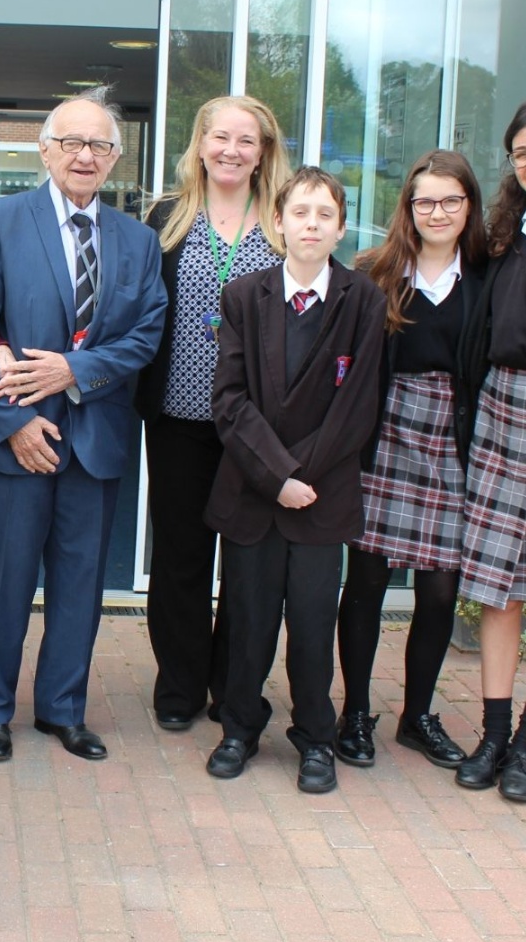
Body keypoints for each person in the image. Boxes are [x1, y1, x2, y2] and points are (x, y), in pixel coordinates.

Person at [0, 87, 166, 762]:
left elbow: (146, 334)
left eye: (100, 145)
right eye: (72, 142)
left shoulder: (138, 241)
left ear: (115, 158)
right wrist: (11, 422)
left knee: (80, 588)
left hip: (95, 441)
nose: (85, 155)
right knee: (8, 585)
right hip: (20, 440)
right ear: (44, 149)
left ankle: (61, 709)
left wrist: (76, 370)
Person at [205, 167, 385, 793]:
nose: (311, 224)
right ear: (276, 222)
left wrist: (302, 476)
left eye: (324, 214)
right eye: (299, 212)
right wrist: (277, 474)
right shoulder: (245, 296)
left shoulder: (363, 300)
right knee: (248, 620)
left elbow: (358, 404)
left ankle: (315, 737)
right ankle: (239, 727)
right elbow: (228, 399)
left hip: (322, 496)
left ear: (340, 226)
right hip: (256, 492)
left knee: (312, 624)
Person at [136, 96, 289, 731]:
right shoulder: (165, 218)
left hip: (258, 423)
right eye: (219, 137)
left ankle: (234, 687)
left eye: (245, 140)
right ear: (198, 145)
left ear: (263, 152)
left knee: (248, 560)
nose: (231, 150)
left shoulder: (284, 221)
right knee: (181, 556)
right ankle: (180, 685)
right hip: (178, 418)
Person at [337, 151, 486, 769]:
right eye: (425, 201)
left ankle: (418, 716)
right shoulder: (376, 272)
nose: (438, 212)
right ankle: (354, 714)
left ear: (469, 206)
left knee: (438, 588)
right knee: (367, 580)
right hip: (385, 436)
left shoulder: (486, 276)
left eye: (451, 200)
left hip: (453, 443)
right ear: (409, 208)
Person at [455, 102, 526, 802]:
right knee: (500, 590)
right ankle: (495, 732)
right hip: (505, 410)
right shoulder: (504, 234)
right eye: (522, 150)